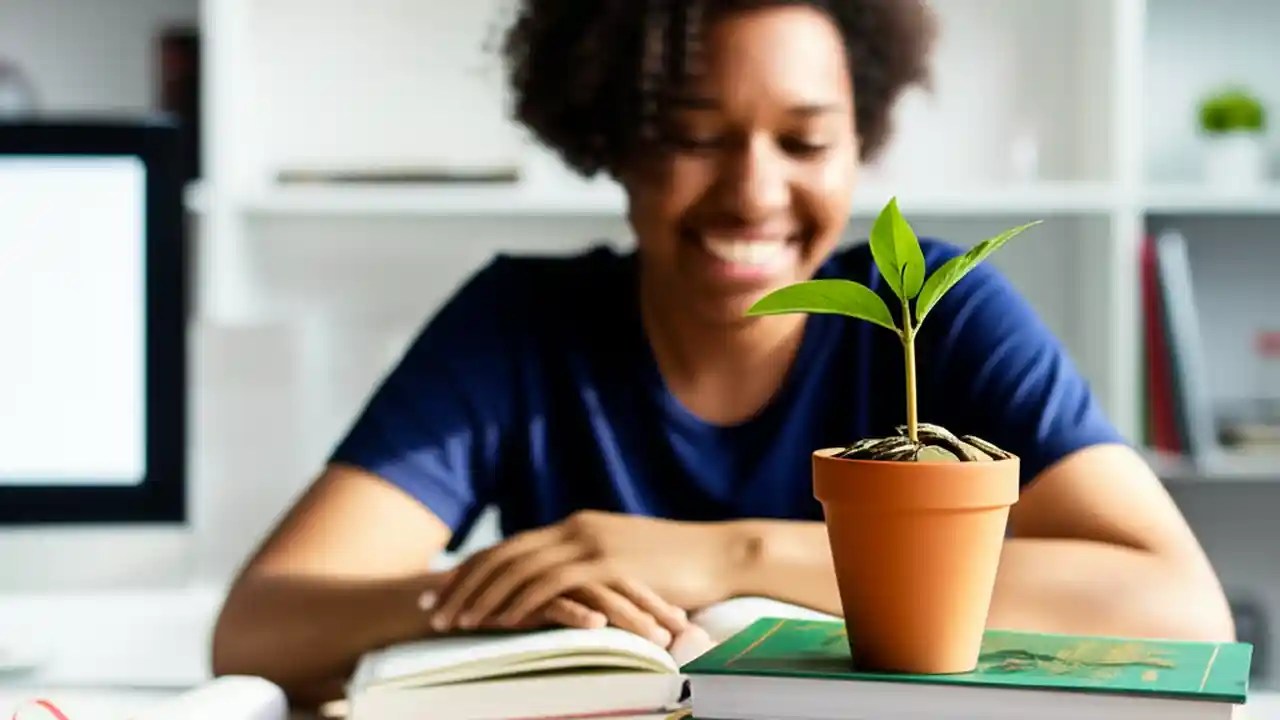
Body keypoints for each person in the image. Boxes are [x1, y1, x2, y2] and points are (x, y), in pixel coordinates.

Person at [211, 0, 1235, 708]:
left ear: (857, 142)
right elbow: (257, 630)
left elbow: (1177, 610)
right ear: (608, 139)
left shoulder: (931, 311)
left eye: (802, 142)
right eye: (693, 137)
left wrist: (716, 554)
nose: (752, 192)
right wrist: (509, 588)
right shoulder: (520, 324)